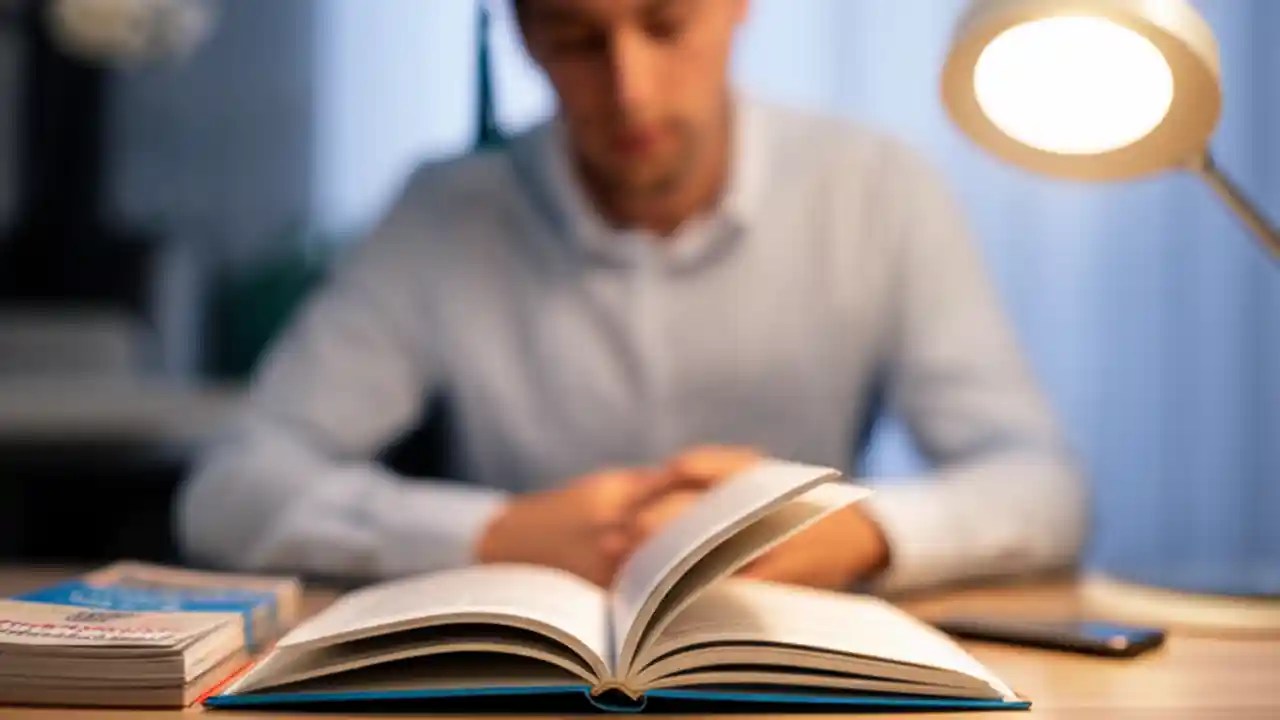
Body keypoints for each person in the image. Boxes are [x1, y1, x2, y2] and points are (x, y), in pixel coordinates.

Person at [177, 0, 1085, 592]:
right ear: (523, 33)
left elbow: (1043, 488)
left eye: (665, 23)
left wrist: (861, 531)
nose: (630, 91)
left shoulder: (879, 188)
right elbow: (232, 490)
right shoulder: (444, 213)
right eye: (576, 39)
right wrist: (494, 533)